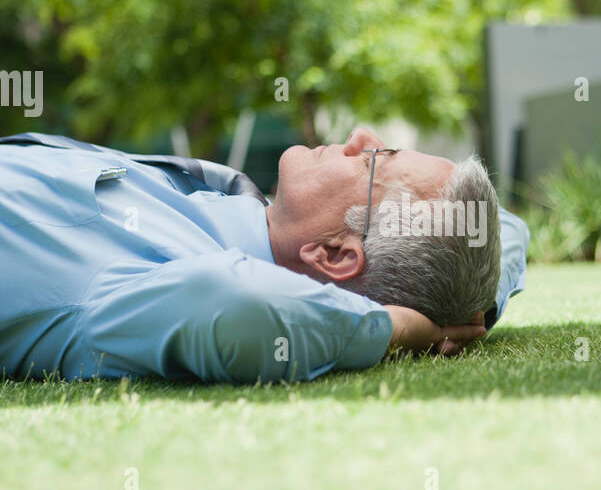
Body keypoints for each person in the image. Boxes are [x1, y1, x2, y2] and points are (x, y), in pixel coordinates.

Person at [0, 126, 528, 384]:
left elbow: (238, 303)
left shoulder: (153, 279)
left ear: (336, 255)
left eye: (376, 160)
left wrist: (398, 327)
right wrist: (476, 303)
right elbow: (508, 227)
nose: (361, 137)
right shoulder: (231, 212)